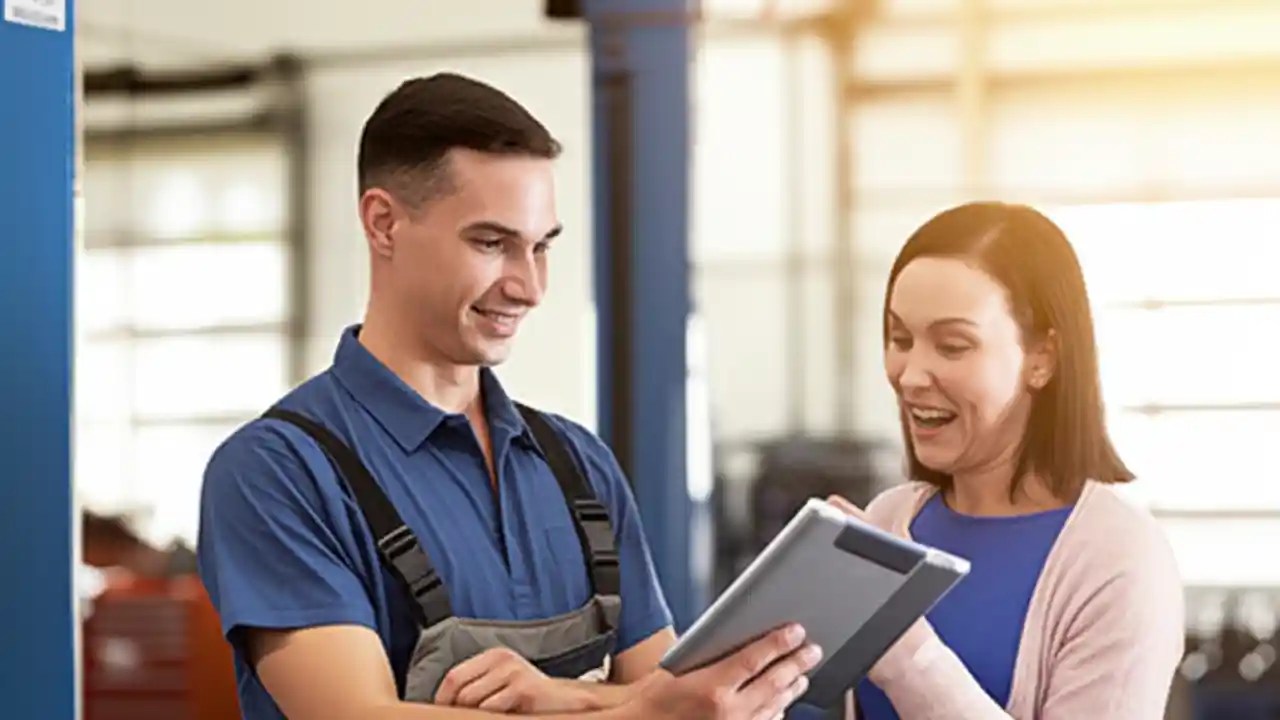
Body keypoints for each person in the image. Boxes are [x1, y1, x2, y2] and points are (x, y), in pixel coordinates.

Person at [196, 73, 820, 720]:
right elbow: (354, 715)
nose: (528, 287)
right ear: (383, 224)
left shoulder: (579, 465)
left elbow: (670, 690)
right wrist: (636, 715)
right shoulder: (278, 472)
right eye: (492, 244)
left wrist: (570, 697)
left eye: (541, 247)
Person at [828, 202, 1185, 719]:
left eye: (952, 346)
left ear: (1042, 357)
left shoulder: (1120, 558)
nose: (909, 376)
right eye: (900, 338)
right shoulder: (887, 522)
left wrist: (905, 651)